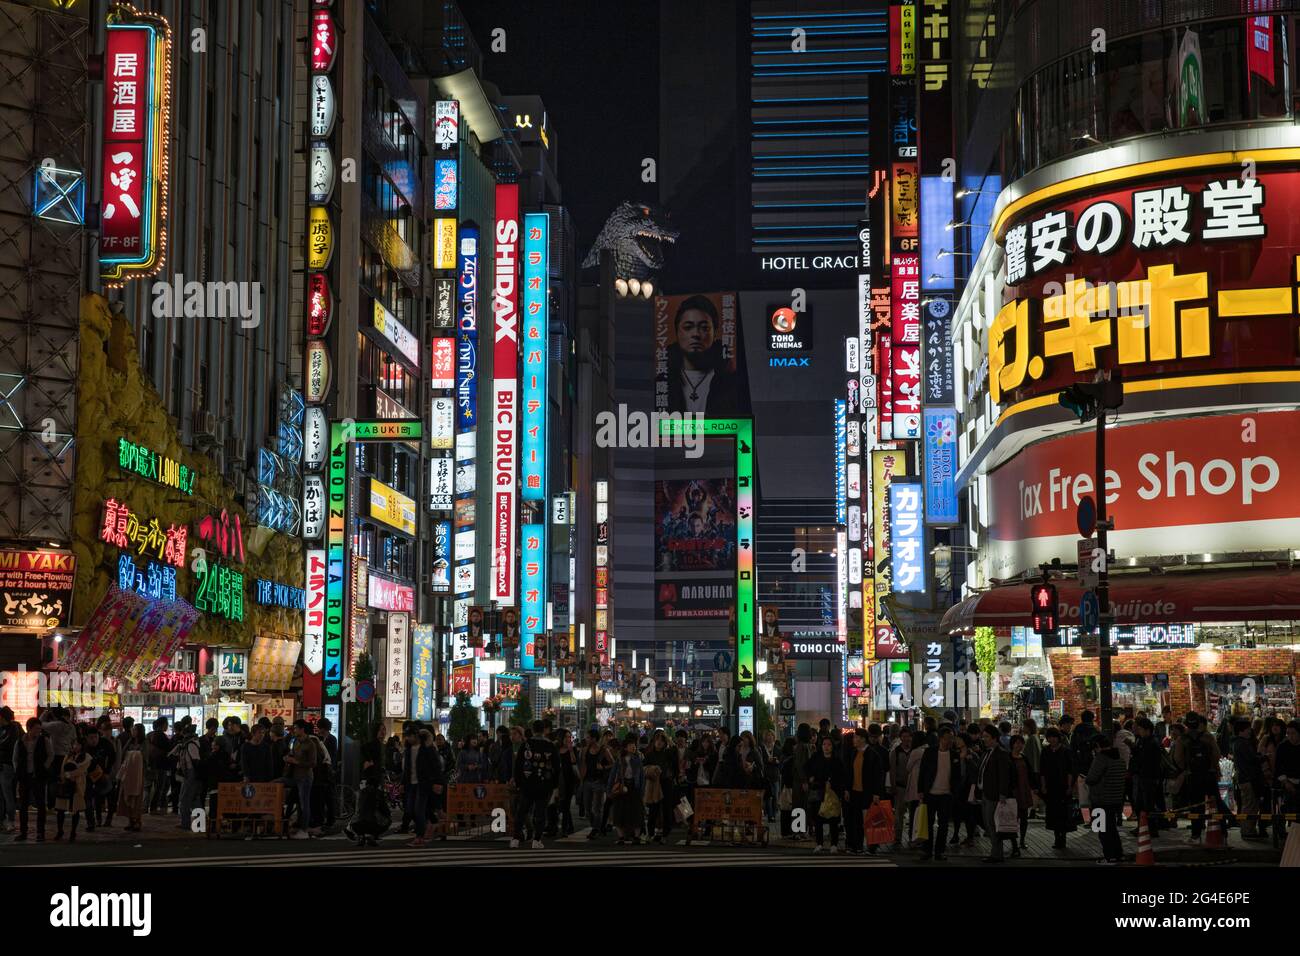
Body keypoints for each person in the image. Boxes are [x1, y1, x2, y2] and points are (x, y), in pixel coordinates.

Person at [665, 294, 738, 415]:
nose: (696, 334)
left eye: (704, 328)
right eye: (688, 327)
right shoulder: (664, 381)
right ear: (677, 332)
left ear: (715, 334)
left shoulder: (730, 381)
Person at [1175, 712, 1223, 844]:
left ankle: (1196, 835)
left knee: (1196, 806)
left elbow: (1178, 759)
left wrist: (1186, 768)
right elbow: (1217, 755)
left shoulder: (1182, 739)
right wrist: (1214, 769)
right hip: (1209, 775)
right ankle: (1223, 833)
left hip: (1193, 776)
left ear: (1186, 724)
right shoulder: (1208, 737)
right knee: (1216, 803)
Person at [512, 720, 558, 849]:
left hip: (527, 784)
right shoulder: (550, 746)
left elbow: (518, 765)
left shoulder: (526, 745)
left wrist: (518, 782)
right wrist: (554, 785)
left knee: (522, 811)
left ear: (532, 730)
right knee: (540, 813)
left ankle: (515, 838)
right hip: (544, 784)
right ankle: (537, 840)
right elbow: (556, 766)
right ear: (544, 730)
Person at [1086, 733, 1127, 864]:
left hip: (1100, 799)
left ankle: (1109, 856)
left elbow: (1091, 778)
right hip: (1115, 799)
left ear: (1098, 746)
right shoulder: (1120, 758)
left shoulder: (1101, 759)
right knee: (1112, 828)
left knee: (1103, 830)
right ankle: (1118, 854)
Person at [976, 724, 1014, 862]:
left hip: (993, 795)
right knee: (988, 824)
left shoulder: (1001, 754)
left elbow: (1004, 776)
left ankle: (996, 854)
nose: (984, 739)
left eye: (986, 737)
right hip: (985, 793)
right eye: (983, 736)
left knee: (993, 825)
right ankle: (996, 852)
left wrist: (1002, 794)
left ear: (994, 738)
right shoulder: (987, 752)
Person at [846, 727, 886, 856]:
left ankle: (872, 847)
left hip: (868, 792)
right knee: (857, 820)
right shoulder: (853, 753)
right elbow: (850, 773)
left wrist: (876, 793)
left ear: (862, 739)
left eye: (856, 737)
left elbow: (878, 775)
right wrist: (847, 789)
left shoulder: (872, 754)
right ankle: (858, 846)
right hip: (855, 791)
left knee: (871, 820)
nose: (854, 740)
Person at [401, 727, 442, 847]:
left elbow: (436, 766)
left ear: (416, 735)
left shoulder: (427, 749)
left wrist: (437, 782)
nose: (408, 738)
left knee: (418, 810)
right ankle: (429, 825)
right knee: (409, 810)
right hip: (411, 784)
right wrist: (403, 784)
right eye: (407, 736)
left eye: (410, 736)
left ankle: (420, 837)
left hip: (423, 784)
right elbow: (407, 770)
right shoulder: (408, 750)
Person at [806, 734, 846, 853]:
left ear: (832, 746)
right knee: (818, 819)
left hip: (833, 792)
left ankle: (834, 844)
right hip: (819, 791)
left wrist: (833, 783)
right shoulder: (816, 757)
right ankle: (819, 843)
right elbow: (807, 767)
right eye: (824, 744)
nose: (826, 747)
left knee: (833, 819)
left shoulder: (837, 760)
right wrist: (811, 777)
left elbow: (841, 775)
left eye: (829, 745)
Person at [13, 717, 51, 841]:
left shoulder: (44, 740)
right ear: (29, 728)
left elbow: (51, 755)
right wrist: (18, 770)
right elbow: (15, 758)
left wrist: (44, 767)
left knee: (40, 804)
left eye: (40, 729)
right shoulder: (20, 741)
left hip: (38, 776)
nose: (38, 732)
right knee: (23, 805)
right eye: (36, 729)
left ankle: (41, 832)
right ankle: (23, 832)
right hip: (24, 776)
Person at [281, 719, 320, 837]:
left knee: (304, 803)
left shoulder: (310, 743)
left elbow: (313, 763)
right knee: (298, 802)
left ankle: (304, 829)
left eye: (296, 728)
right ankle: (298, 825)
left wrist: (296, 761)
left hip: (305, 777)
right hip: (294, 776)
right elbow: (293, 754)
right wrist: (288, 758)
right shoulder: (295, 741)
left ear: (302, 729)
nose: (294, 730)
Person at [1129, 717, 1166, 838]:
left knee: (1147, 805)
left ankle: (1150, 829)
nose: (1138, 730)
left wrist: (1134, 748)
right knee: (1141, 804)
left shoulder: (1151, 742)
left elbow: (1145, 760)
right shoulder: (1143, 740)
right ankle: (1144, 827)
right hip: (1144, 776)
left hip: (1148, 777)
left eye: (1139, 728)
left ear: (1147, 729)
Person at [1231, 718, 1267, 840]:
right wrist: (1263, 757)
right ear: (1241, 731)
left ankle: (1248, 829)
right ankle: (1247, 830)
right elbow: (1251, 759)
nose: (1250, 732)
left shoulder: (1237, 743)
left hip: (1244, 777)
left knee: (1248, 803)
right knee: (1250, 804)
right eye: (1247, 729)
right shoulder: (1243, 743)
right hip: (1248, 778)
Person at [52, 737, 90, 841]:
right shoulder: (68, 756)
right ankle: (60, 830)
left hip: (77, 785)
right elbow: (62, 769)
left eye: (77, 744)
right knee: (60, 809)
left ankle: (73, 832)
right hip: (65, 784)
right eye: (74, 744)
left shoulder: (86, 757)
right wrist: (65, 776)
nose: (75, 746)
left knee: (75, 809)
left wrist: (70, 774)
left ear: (82, 746)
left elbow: (81, 770)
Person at [642, 729, 676, 844]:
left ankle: (664, 835)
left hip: (666, 783)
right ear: (653, 741)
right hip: (653, 783)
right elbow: (644, 768)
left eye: (662, 740)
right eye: (657, 740)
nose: (659, 742)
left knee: (667, 809)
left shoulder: (668, 753)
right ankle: (650, 834)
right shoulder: (650, 754)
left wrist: (667, 738)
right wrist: (652, 770)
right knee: (653, 810)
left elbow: (674, 751)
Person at [578, 729, 613, 839]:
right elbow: (582, 764)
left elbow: (613, 763)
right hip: (587, 781)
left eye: (588, 737)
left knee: (596, 808)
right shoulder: (584, 750)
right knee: (587, 808)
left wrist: (603, 767)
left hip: (599, 782)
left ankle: (595, 829)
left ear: (594, 739)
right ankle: (597, 826)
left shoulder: (603, 750)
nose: (586, 739)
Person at [115, 724, 146, 832]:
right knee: (126, 796)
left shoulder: (144, 743)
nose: (132, 731)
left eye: (134, 729)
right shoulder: (130, 742)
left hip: (138, 774)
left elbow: (145, 758)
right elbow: (123, 753)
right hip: (128, 774)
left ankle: (137, 821)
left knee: (136, 798)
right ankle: (130, 820)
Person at [1009, 735, 1035, 856]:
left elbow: (1030, 774)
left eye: (1021, 743)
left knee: (1024, 817)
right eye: (1017, 743)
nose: (1019, 745)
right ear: (1012, 744)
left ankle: (1022, 840)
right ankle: (1014, 843)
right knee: (1013, 817)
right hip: (1014, 791)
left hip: (1024, 790)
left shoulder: (1024, 757)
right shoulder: (1008, 758)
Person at [889, 727, 914, 849]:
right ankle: (897, 838)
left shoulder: (915, 751)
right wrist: (893, 785)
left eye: (908, 736)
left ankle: (912, 838)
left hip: (913, 787)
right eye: (904, 736)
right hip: (900, 787)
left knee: (913, 814)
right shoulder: (896, 751)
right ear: (900, 738)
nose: (906, 739)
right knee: (899, 814)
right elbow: (892, 770)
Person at [145, 717, 171, 814]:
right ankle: (154, 807)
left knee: (151, 787)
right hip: (161, 765)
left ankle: (149, 807)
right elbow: (168, 749)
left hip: (151, 765)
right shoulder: (161, 736)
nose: (167, 726)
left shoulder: (150, 735)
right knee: (159, 787)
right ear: (162, 724)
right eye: (166, 724)